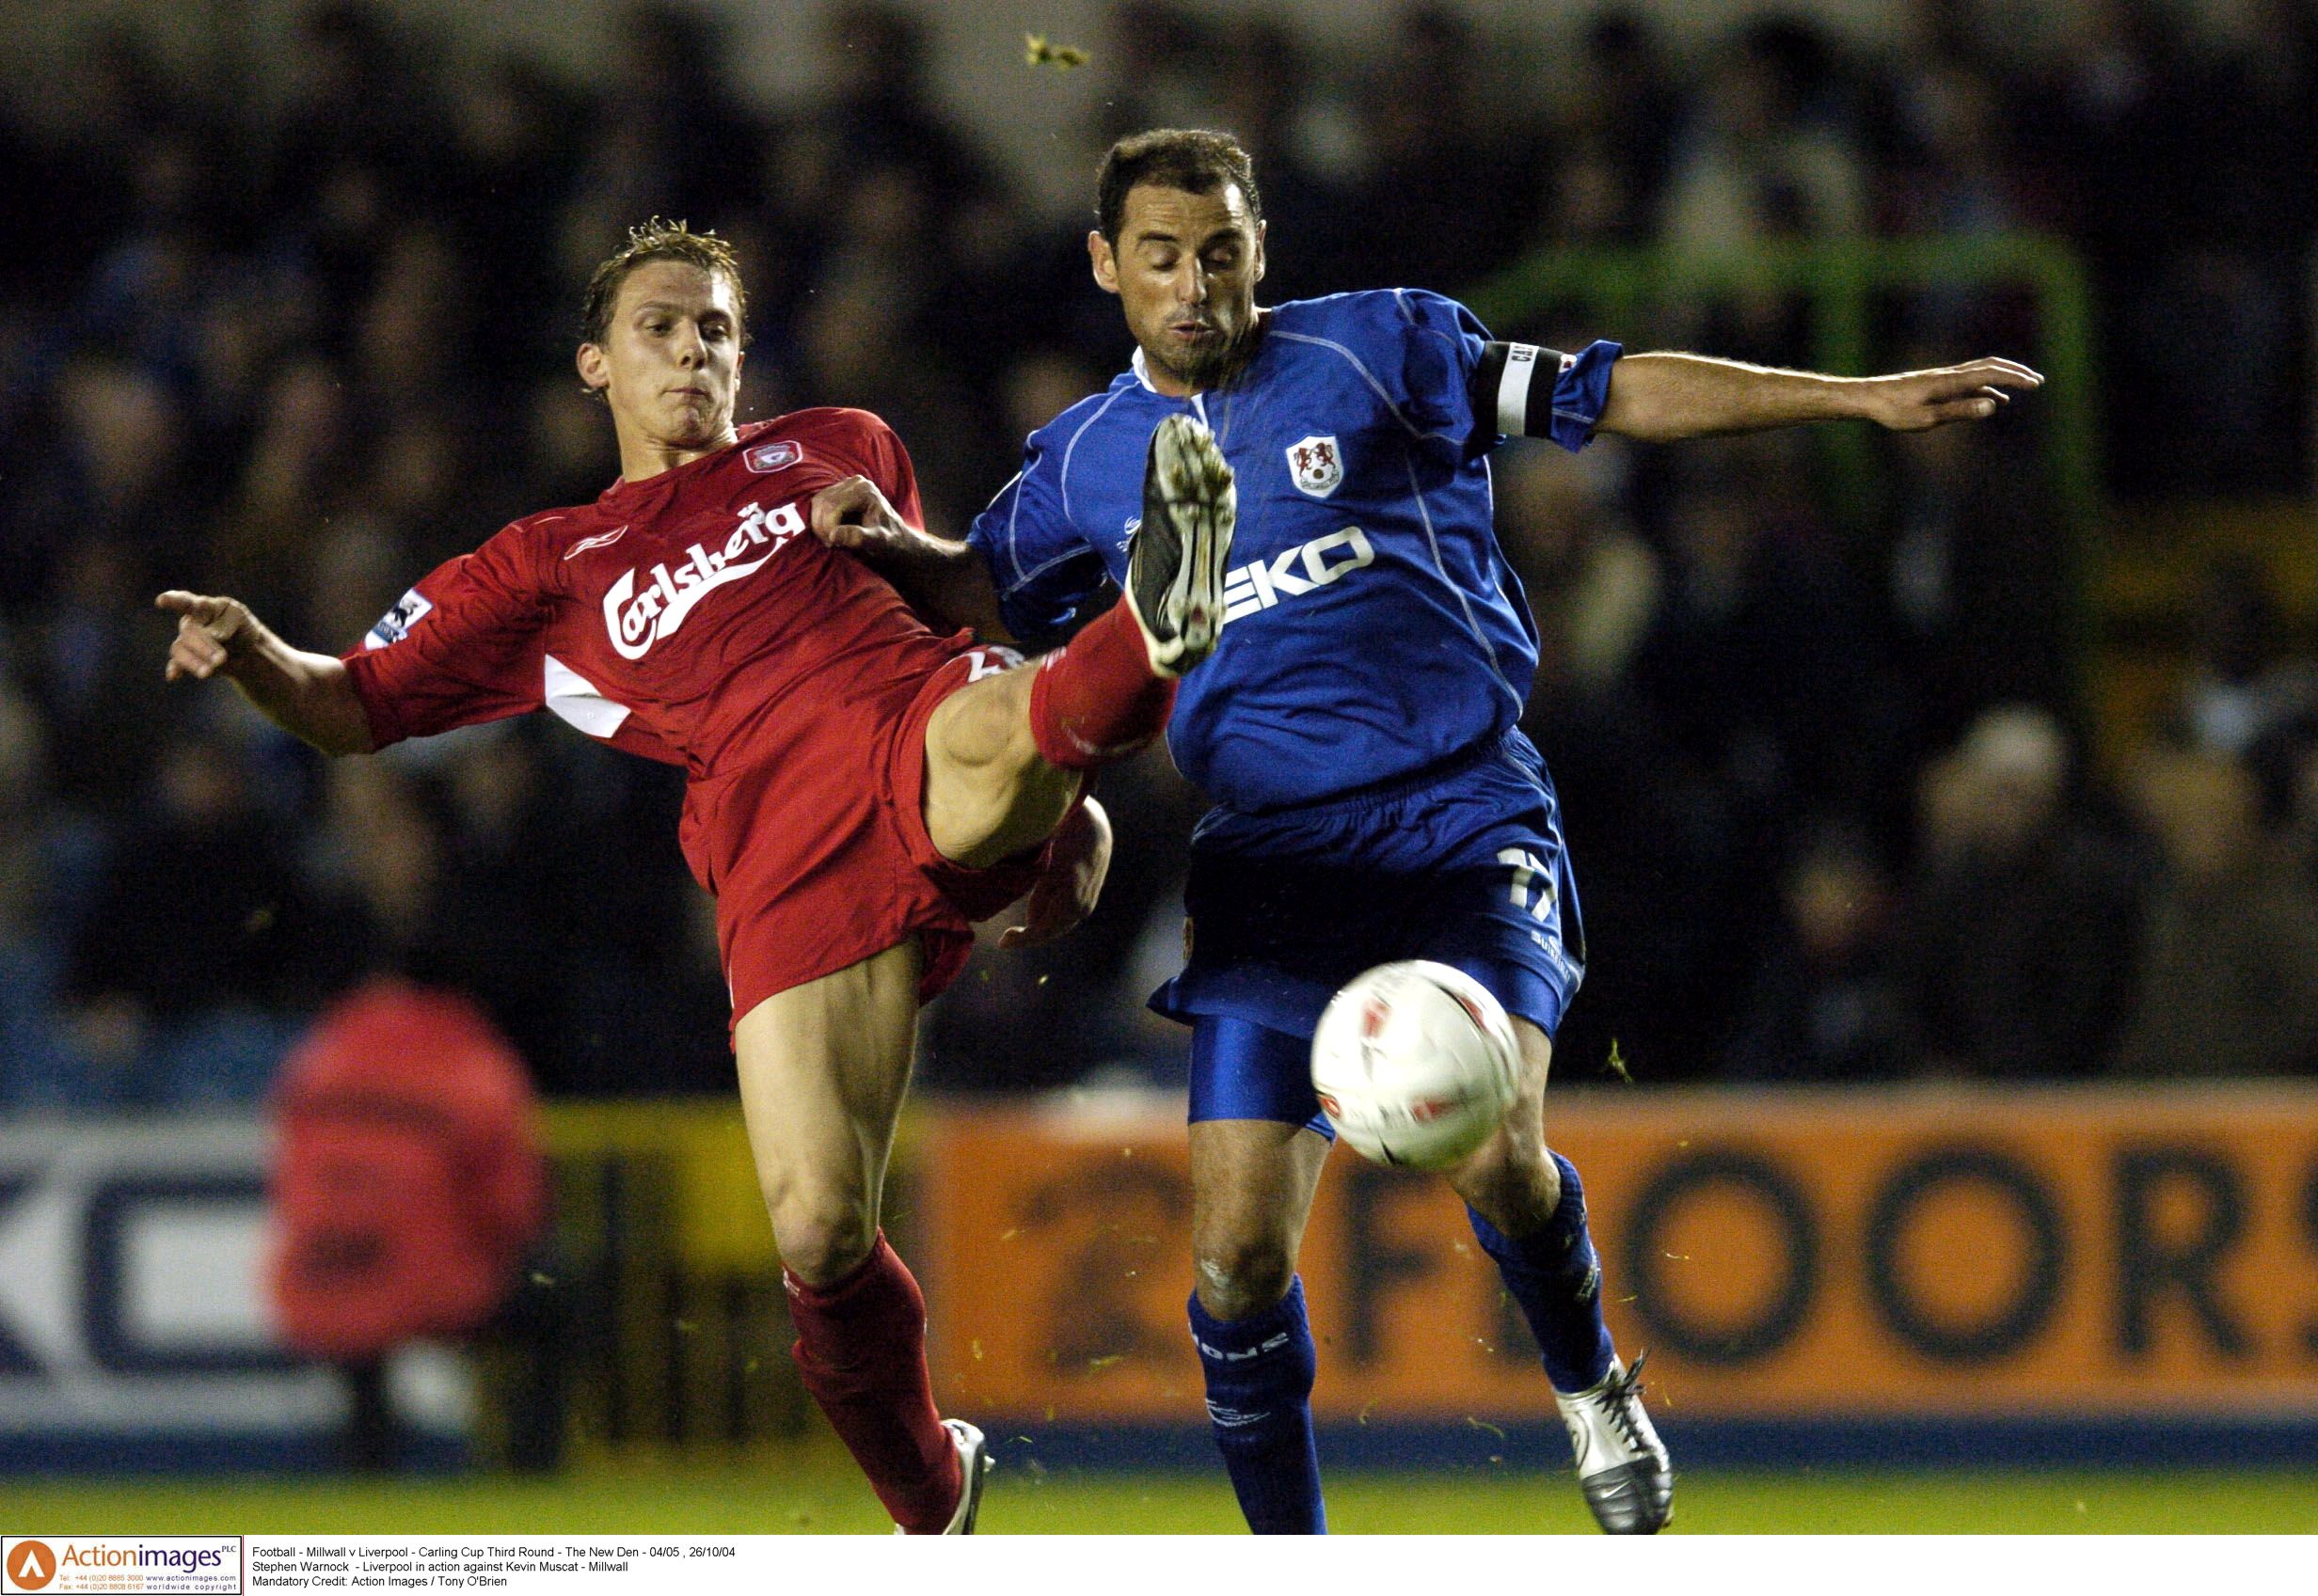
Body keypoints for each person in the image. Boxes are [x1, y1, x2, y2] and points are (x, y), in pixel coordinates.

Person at [821, 130, 2041, 1535]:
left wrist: (1859, 400)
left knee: (1498, 1151)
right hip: (1273, 859)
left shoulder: (1379, 347)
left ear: (1259, 245)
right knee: (1227, 1259)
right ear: (1107, 267)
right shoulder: (1088, 460)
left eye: (1221, 250)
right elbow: (982, 587)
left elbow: (1606, 391)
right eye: (1160, 256)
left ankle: (1587, 1384)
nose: (1195, 282)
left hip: (1460, 813)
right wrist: (883, 552)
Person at [155, 219, 1239, 1534]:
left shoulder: (839, 444)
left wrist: (1058, 811)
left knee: (985, 721)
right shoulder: (546, 566)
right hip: (771, 837)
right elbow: (358, 705)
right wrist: (261, 652)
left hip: (905, 711)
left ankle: (1156, 619)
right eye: (660, 328)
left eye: (717, 328)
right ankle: (936, 1504)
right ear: (595, 365)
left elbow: (958, 605)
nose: (693, 349)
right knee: (820, 1228)